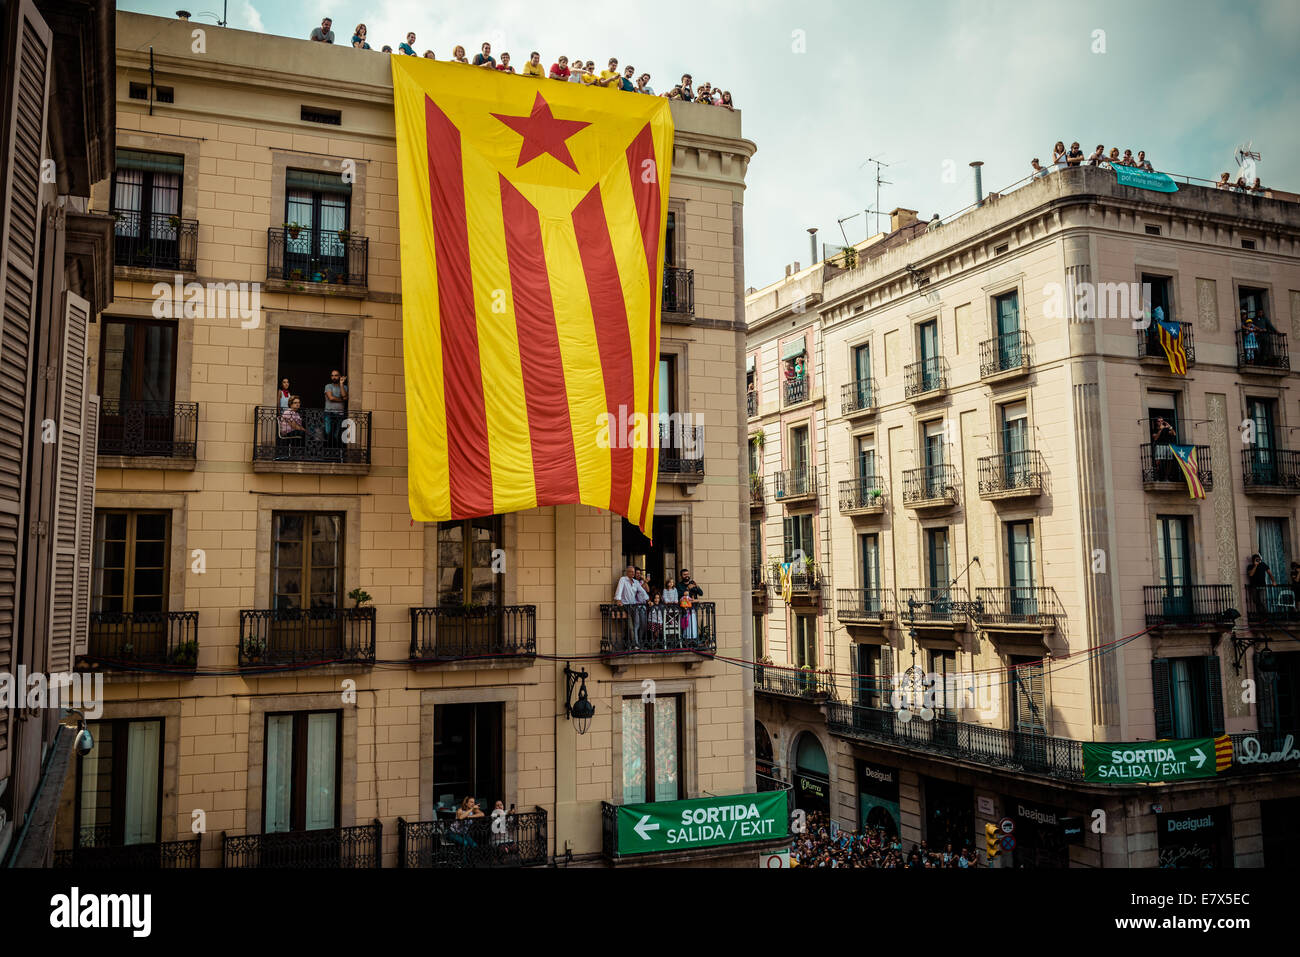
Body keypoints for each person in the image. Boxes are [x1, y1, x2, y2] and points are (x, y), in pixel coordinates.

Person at [614, 564, 648, 648]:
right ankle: (634, 644)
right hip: (626, 606)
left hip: (634, 606)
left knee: (637, 625)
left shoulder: (636, 582)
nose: (633, 573)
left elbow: (642, 591)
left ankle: (636, 643)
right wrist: (618, 600)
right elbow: (619, 590)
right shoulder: (623, 579)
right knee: (630, 626)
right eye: (631, 572)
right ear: (627, 572)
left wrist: (648, 600)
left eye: (633, 572)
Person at [324, 368, 348, 447]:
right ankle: (327, 451)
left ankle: (334, 451)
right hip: (329, 413)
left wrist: (341, 384)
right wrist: (342, 400)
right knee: (328, 432)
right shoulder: (328, 386)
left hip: (340, 414)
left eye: (336, 375)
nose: (334, 377)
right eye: (332, 376)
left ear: (340, 376)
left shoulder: (344, 387)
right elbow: (331, 398)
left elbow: (345, 396)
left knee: (336, 435)